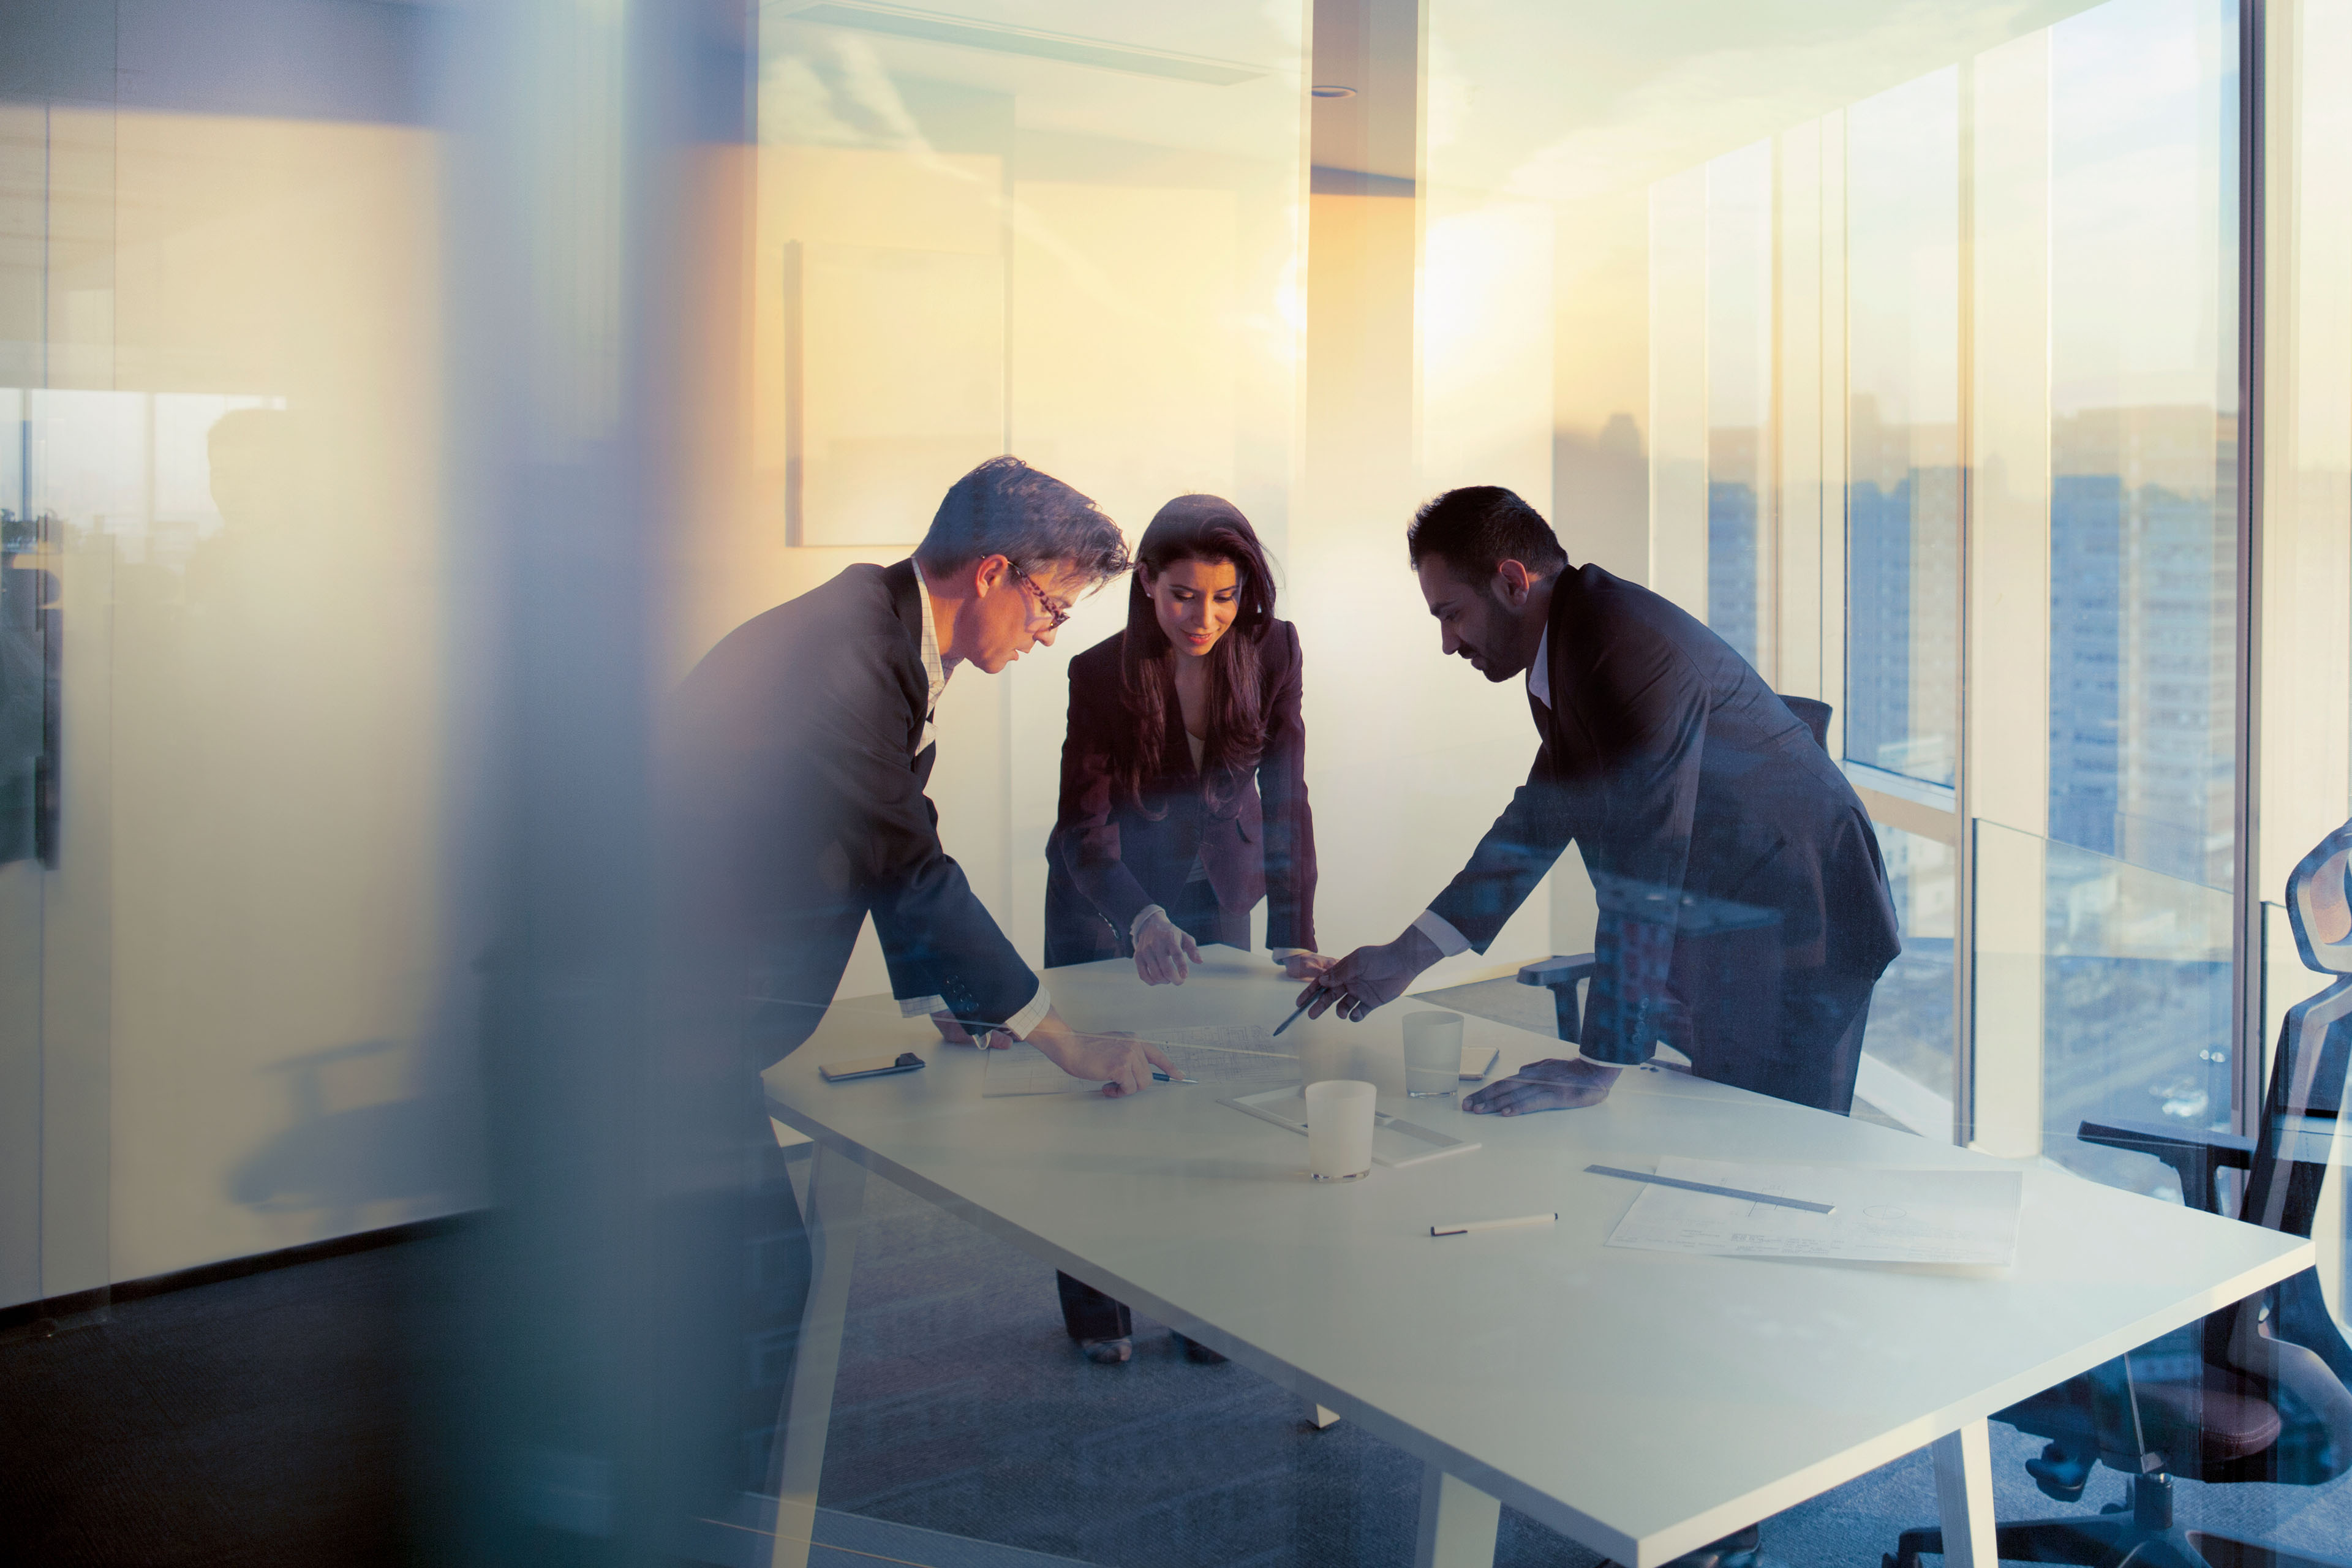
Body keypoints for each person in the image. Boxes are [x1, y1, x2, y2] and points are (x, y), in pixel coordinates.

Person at [657, 456, 1178, 1507]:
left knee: (729, 1282)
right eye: (1049, 608)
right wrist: (1059, 1036)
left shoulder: (875, 633)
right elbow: (906, 859)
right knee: (751, 1284)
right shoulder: (846, 655)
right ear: (992, 573)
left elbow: (884, 827)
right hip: (646, 1018)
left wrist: (951, 995)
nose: (1047, 635)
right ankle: (702, 1519)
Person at [1298, 485, 1901, 1122]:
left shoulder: (1624, 649)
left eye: (1452, 614)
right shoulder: (1570, 647)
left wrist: (1597, 1064)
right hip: (1732, 903)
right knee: (1728, 1127)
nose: (1450, 643)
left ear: (1511, 581)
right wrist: (1406, 956)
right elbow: (1535, 824)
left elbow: (1644, 862)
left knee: (1776, 1143)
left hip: (1803, 910)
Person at [1041, 493, 1327, 1364]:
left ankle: (1208, 1301)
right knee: (1105, 1108)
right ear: (1147, 588)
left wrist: (1295, 931)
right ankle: (1099, 1311)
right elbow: (1081, 828)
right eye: (1181, 596)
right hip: (1108, 899)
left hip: (1221, 887)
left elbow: (1288, 794)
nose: (1202, 616)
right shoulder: (1099, 673)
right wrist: (1141, 917)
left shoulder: (1273, 649)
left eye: (1223, 596)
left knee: (1216, 1098)